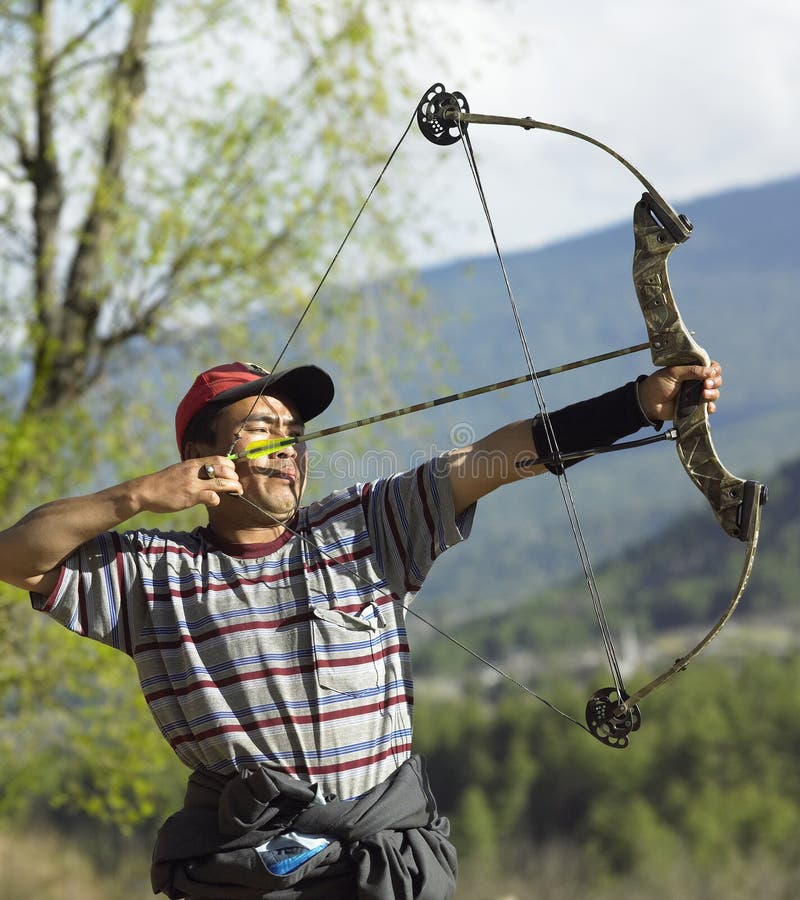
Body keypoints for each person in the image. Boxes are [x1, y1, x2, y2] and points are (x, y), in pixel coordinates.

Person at [0, 358, 723, 899]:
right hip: (255, 870)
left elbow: (496, 460)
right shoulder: (152, 572)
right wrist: (138, 495)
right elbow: (17, 556)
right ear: (204, 459)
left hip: (388, 861)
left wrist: (637, 404)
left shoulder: (365, 526)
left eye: (294, 433)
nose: (288, 447)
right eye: (261, 430)